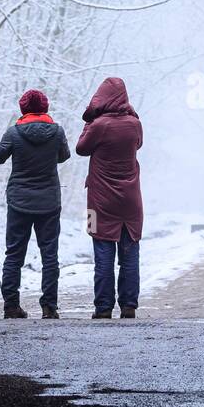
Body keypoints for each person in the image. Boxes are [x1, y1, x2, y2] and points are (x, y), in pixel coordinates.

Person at [0, 89, 70, 320]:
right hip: (49, 202)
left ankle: (11, 306)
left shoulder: (13, 133)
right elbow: (63, 156)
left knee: (14, 254)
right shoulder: (57, 132)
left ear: (23, 108)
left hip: (19, 201)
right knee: (50, 255)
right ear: (45, 107)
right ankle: (49, 307)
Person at [76, 77, 143, 319]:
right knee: (130, 253)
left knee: (101, 252)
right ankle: (129, 306)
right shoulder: (135, 124)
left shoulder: (98, 125)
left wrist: (90, 120)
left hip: (98, 203)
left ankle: (103, 308)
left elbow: (81, 149)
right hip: (131, 202)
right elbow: (139, 144)